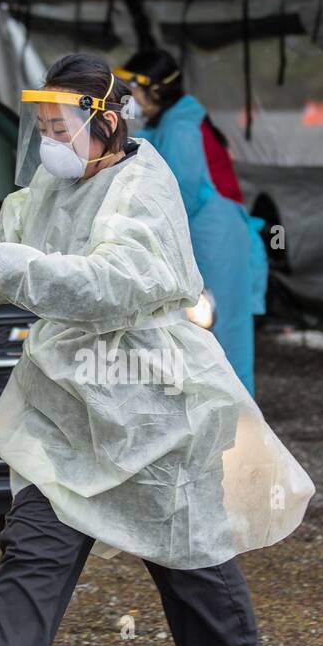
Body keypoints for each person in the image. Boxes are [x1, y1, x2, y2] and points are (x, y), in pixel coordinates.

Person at [0, 53, 314, 646]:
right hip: (69, 401)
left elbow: (114, 282)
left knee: (184, 549)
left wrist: (5, 266)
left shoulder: (142, 185)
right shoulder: (53, 180)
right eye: (42, 127)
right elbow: (19, 248)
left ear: (107, 121)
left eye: (58, 127)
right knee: (34, 546)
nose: (47, 142)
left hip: (147, 403)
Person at [115, 49, 269, 396]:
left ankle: (237, 425)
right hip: (198, 232)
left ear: (154, 90)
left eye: (133, 90)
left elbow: (177, 193)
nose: (128, 99)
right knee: (195, 335)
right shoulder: (169, 122)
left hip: (214, 236)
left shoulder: (181, 127)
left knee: (222, 333)